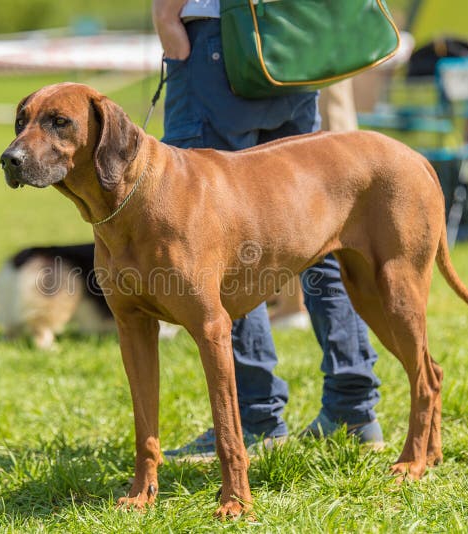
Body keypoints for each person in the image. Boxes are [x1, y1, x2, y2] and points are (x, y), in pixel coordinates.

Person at [153, 0, 383, 459]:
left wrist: (166, 16)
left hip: (222, 43)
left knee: (212, 241)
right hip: (296, 37)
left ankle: (255, 415)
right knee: (317, 237)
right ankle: (353, 405)